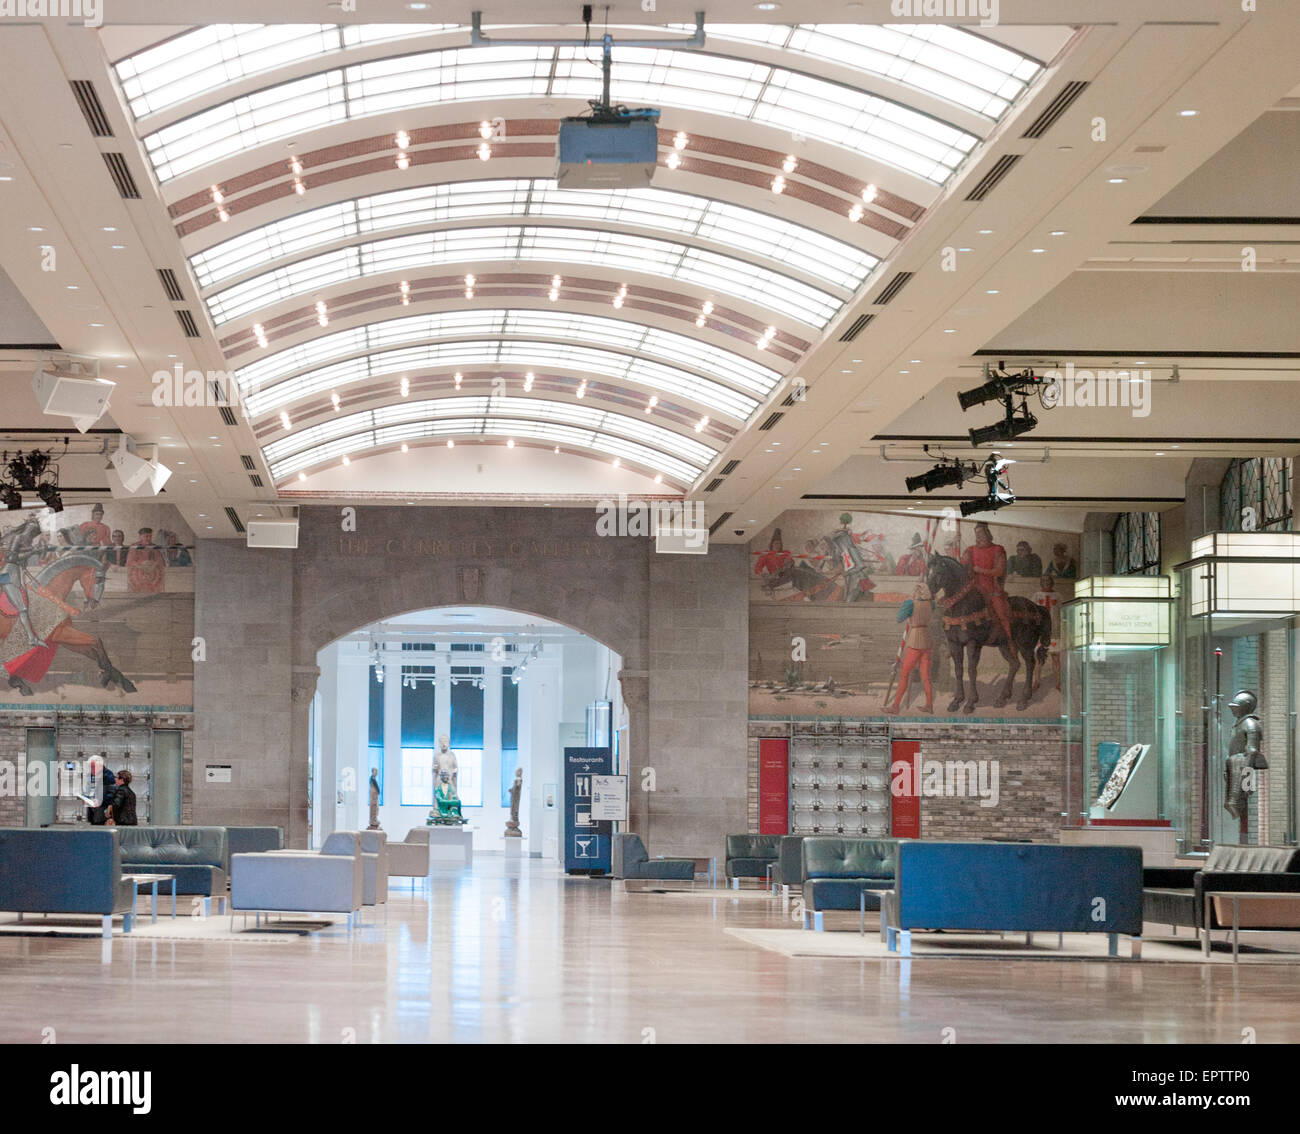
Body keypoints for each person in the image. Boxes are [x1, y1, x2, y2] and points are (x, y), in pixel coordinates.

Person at [961, 521, 1013, 643]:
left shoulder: (998, 549)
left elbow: (999, 571)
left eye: (981, 533)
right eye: (976, 533)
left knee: (1002, 615)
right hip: (973, 589)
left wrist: (981, 570)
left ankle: (1009, 640)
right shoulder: (970, 550)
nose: (978, 536)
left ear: (987, 533)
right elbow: (961, 564)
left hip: (992, 589)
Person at [889, 581, 934, 714]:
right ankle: (929, 705)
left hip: (915, 641)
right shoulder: (931, 604)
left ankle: (896, 706)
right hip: (927, 640)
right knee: (925, 675)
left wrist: (909, 614)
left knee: (904, 673)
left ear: (916, 591)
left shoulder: (910, 604)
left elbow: (899, 618)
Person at [1032, 575, 1062, 691]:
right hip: (1041, 633)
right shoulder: (1036, 596)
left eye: (1048, 580)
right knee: (1039, 658)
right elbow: (1032, 613)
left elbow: (1062, 612)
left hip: (1054, 632)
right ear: (1041, 582)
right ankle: (1036, 682)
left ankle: (1058, 683)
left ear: (1052, 582)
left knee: (1056, 658)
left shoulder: (1058, 596)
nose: (1046, 582)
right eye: (1043, 580)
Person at [126, 528, 166, 594]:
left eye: (150, 536)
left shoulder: (154, 546)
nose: (148, 538)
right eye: (146, 536)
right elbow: (130, 561)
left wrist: (153, 566)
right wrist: (142, 566)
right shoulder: (134, 546)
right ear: (140, 537)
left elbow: (160, 561)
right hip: (137, 574)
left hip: (151, 575)